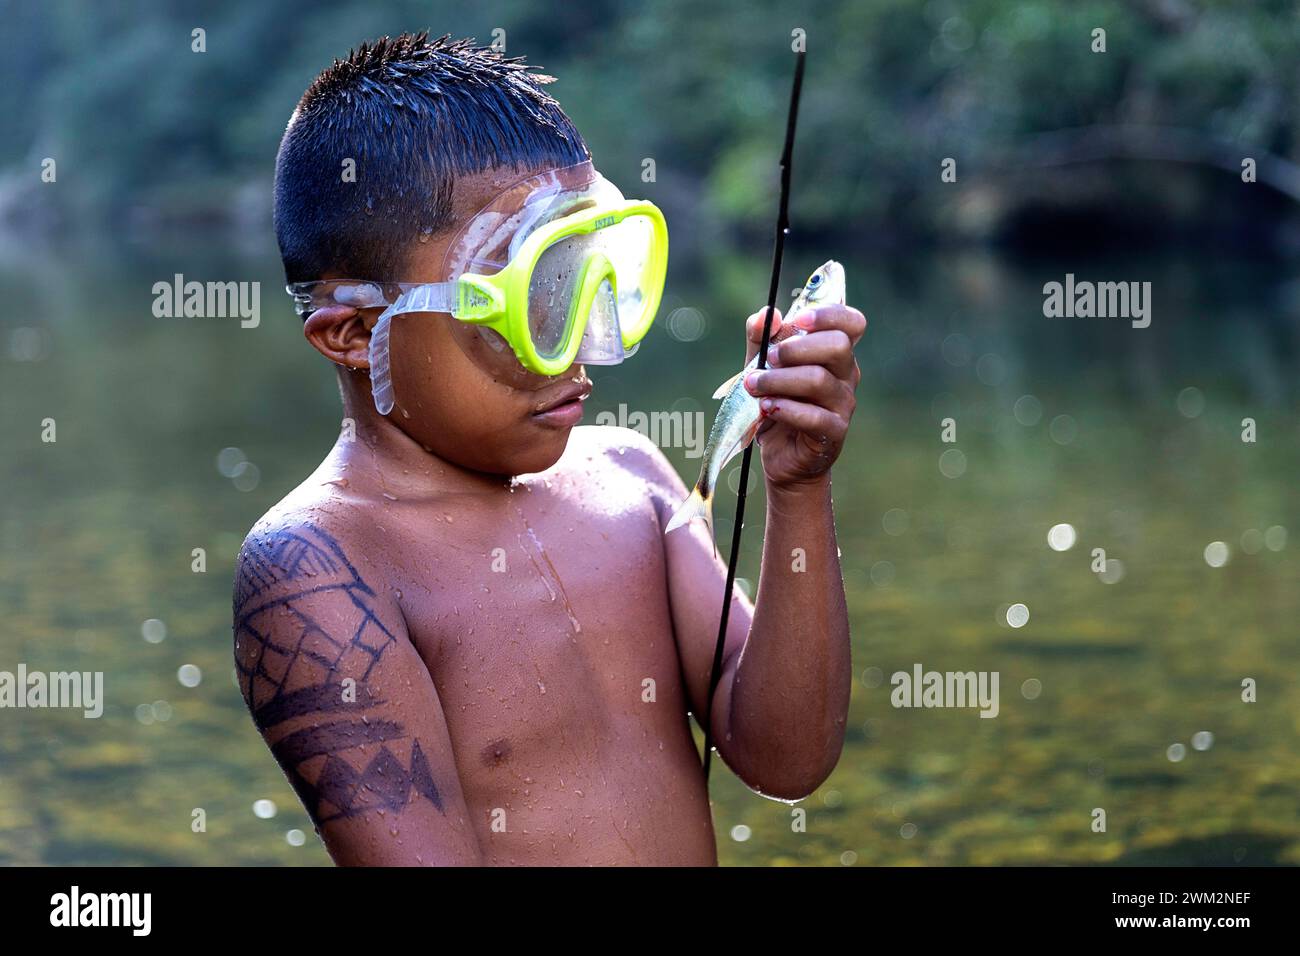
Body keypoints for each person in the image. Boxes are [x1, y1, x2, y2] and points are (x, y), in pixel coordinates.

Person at [233, 32, 864, 865]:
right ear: (355, 332)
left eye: (591, 282)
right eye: (535, 299)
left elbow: (787, 758)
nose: (572, 349)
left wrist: (797, 490)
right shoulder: (319, 567)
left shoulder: (632, 479)